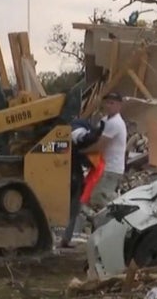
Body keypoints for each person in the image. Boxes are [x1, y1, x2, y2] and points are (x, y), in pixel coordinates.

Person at [81, 92, 128, 214]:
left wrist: (80, 151)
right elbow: (94, 136)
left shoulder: (116, 123)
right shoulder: (105, 120)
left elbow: (99, 146)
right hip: (102, 166)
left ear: (119, 106)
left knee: (99, 199)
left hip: (111, 169)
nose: (108, 105)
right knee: (90, 195)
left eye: (112, 103)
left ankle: (121, 215)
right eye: (107, 102)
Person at [59, 118, 103, 249]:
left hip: (68, 172)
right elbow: (80, 137)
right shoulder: (78, 130)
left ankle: (65, 239)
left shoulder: (68, 133)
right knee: (73, 207)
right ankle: (65, 238)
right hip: (72, 174)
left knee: (72, 207)